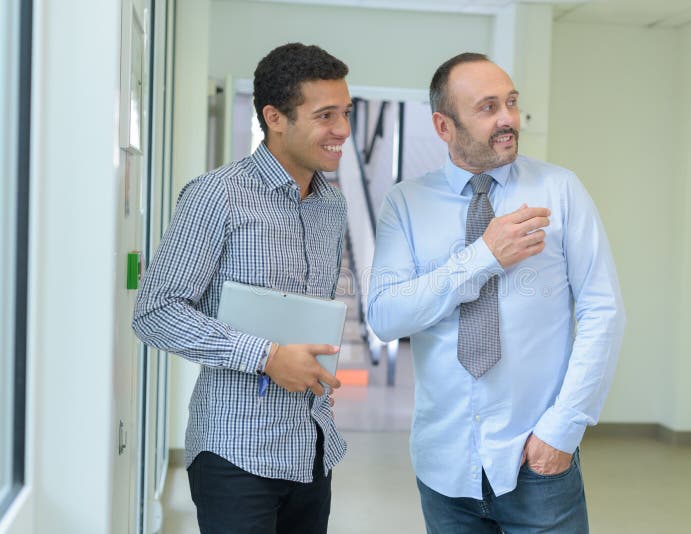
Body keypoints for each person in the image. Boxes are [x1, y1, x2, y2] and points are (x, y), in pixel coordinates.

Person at [367, 52, 626, 533]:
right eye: (487, 108)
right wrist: (483, 256)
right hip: (445, 465)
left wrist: (563, 430)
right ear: (444, 126)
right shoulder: (406, 203)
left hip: (538, 457)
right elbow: (385, 316)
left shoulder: (560, 190)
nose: (508, 118)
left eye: (511, 102)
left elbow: (602, 312)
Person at [132, 43, 352, 534]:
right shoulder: (216, 195)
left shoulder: (332, 206)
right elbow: (155, 312)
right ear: (275, 117)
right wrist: (267, 356)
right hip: (236, 449)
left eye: (346, 113)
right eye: (325, 115)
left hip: (312, 445)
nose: (343, 130)